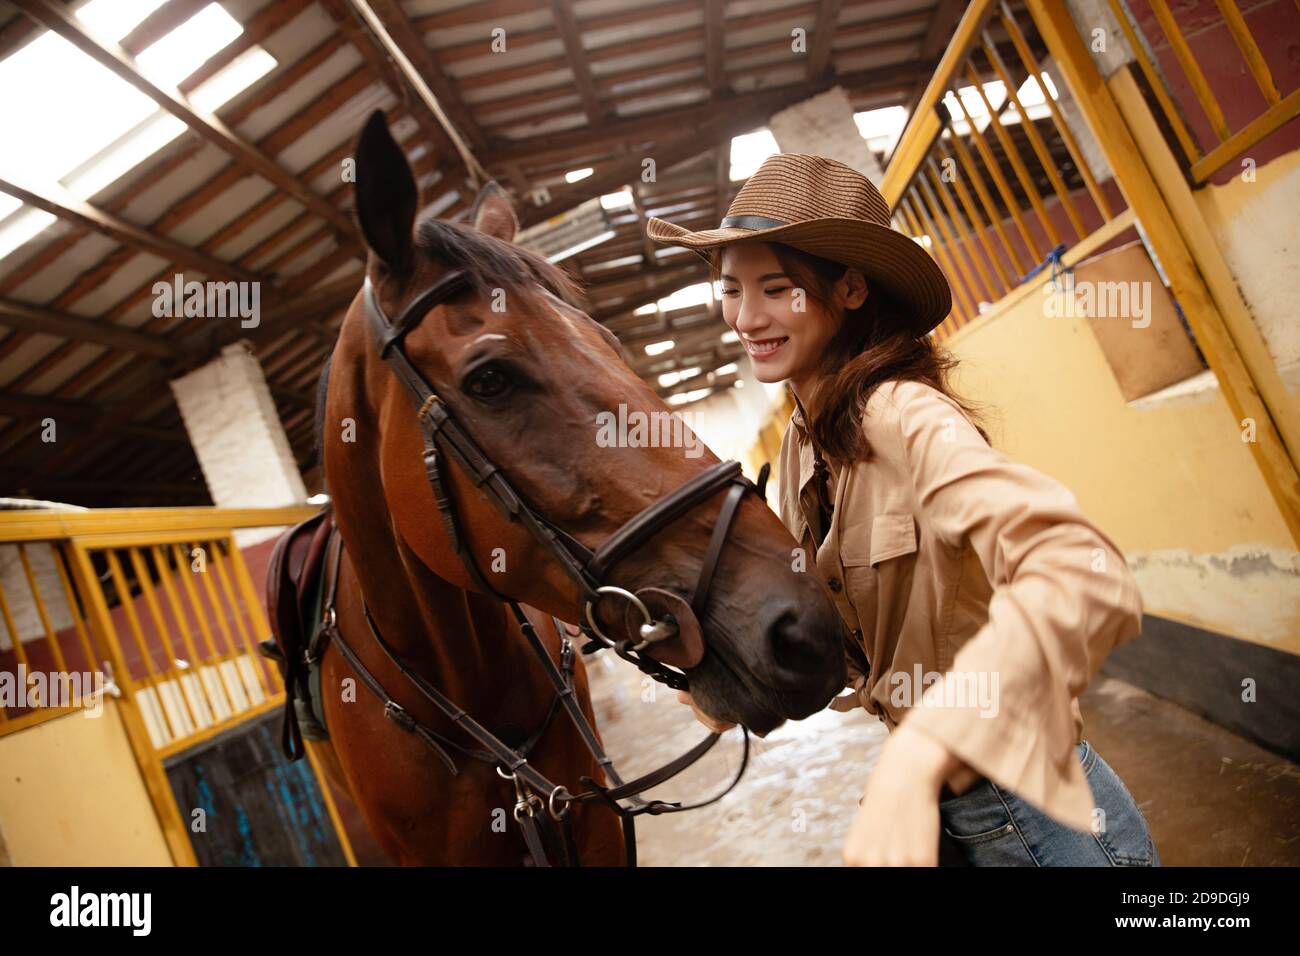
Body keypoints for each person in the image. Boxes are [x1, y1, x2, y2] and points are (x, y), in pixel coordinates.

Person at [645, 153, 1160, 867]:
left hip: (1038, 818)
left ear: (850, 290)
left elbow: (1084, 573)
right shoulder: (801, 442)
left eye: (776, 289)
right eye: (730, 289)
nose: (746, 317)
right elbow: (820, 639)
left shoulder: (904, 413)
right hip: (954, 821)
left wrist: (920, 751)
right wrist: (704, 671)